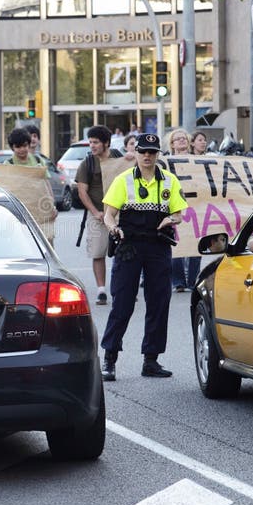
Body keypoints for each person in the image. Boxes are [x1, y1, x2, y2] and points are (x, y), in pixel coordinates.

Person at [101, 132, 188, 380]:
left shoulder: (170, 181)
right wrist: (113, 228)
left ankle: (151, 360)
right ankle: (109, 359)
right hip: (130, 247)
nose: (147, 156)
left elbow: (179, 215)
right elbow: (109, 214)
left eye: (152, 152)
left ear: (158, 154)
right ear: (136, 153)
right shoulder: (123, 180)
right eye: (143, 151)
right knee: (123, 303)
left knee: (159, 303)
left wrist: (169, 219)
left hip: (158, 248)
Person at [75, 124, 122, 306]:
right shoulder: (87, 163)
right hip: (98, 215)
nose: (92, 146)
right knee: (98, 252)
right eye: (91, 142)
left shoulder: (118, 156)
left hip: (119, 214)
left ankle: (121, 288)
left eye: (96, 142)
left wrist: (131, 157)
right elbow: (82, 192)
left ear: (106, 143)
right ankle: (101, 290)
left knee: (122, 253)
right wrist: (95, 212)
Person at [166, 129, 197, 292]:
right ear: (172, 144)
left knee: (195, 241)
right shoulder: (166, 162)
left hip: (195, 207)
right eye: (177, 139)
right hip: (175, 206)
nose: (181, 141)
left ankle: (193, 280)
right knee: (176, 243)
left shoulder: (197, 161)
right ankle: (178, 281)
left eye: (184, 138)